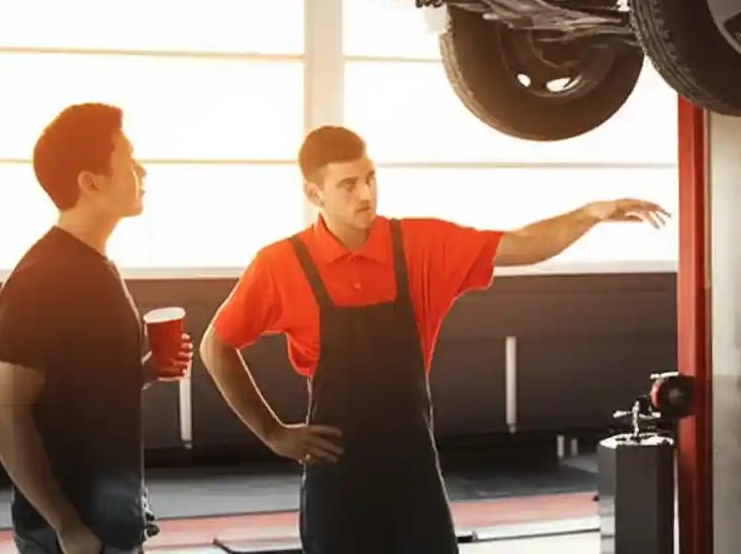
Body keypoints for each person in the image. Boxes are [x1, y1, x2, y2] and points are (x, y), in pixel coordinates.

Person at [199, 125, 668, 554]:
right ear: (313, 193)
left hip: (414, 475)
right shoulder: (281, 265)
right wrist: (272, 432)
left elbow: (521, 244)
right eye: (348, 185)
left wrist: (590, 213)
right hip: (337, 480)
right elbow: (215, 345)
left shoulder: (418, 245)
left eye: (370, 178)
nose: (366, 194)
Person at [0, 103, 193, 554]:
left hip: (111, 519)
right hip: (75, 534)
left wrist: (146, 370)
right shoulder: (41, 278)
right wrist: (67, 525)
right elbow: (1, 414)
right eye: (130, 159)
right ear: (90, 181)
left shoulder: (98, 267)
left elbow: (81, 390)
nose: (143, 172)